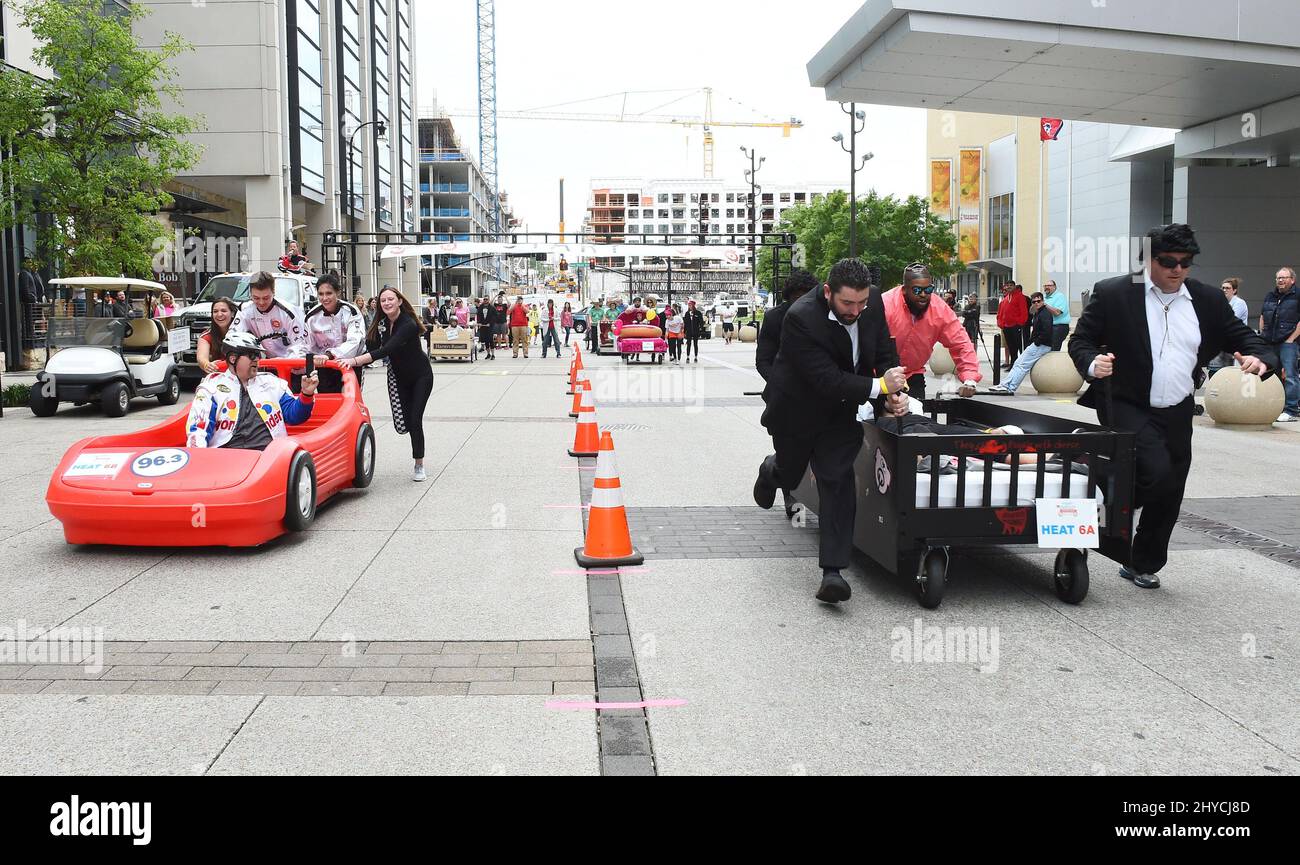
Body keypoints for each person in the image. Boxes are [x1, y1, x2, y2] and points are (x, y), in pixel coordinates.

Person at [1069, 223, 1276, 589]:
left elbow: (1241, 335)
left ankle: (1140, 561)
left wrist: (1259, 356)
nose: (1177, 269)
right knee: (1157, 470)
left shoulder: (1207, 299)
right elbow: (1081, 339)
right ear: (1148, 259)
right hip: (1127, 402)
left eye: (1186, 262)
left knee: (1172, 484)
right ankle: (1112, 496)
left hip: (1178, 406)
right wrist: (1091, 363)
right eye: (1167, 261)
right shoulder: (1115, 293)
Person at [752, 259, 907, 605]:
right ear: (828, 293)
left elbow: (883, 352)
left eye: (862, 303)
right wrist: (880, 386)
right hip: (796, 410)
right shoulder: (800, 317)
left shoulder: (872, 303)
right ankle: (771, 470)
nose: (856, 311)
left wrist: (893, 396)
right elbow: (824, 379)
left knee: (837, 480)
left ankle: (833, 573)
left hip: (839, 413)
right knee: (791, 473)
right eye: (847, 304)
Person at [339, 286, 432, 481]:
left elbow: (387, 350)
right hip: (398, 377)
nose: (387, 303)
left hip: (420, 376)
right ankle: (415, 445)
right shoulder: (381, 323)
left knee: (415, 419)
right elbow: (370, 346)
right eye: (383, 301)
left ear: (399, 301)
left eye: (391, 299)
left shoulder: (408, 324)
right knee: (404, 422)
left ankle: (419, 464)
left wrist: (355, 361)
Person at [186, 332, 317, 451]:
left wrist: (306, 394)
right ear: (233, 358)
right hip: (226, 458)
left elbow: (295, 417)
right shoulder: (211, 388)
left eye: (258, 355)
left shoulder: (272, 383)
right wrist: (199, 462)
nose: (257, 359)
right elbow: (198, 431)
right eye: (251, 355)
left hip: (269, 457)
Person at [881, 263, 981, 400]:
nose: (923, 295)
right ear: (904, 290)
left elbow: (961, 342)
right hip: (881, 374)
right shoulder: (886, 304)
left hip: (912, 374)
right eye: (917, 290)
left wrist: (970, 378)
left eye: (928, 290)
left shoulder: (939, 309)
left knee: (916, 417)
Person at [305, 273, 366, 392]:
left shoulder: (351, 312)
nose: (325, 298)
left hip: (350, 365)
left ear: (337, 293)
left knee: (350, 403)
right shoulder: (311, 317)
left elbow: (355, 341)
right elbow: (308, 347)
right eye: (321, 294)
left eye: (329, 293)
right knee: (327, 404)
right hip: (324, 367)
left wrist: (329, 354)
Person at [757, 269, 819, 381]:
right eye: (797, 298)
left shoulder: (822, 315)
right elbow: (763, 360)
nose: (802, 303)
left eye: (807, 298)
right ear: (788, 297)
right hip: (782, 384)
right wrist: (778, 384)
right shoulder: (774, 318)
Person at [228, 270, 307, 358]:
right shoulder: (245, 310)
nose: (261, 302)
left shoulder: (289, 312)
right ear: (250, 294)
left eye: (266, 298)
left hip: (292, 363)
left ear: (273, 292)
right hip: (268, 362)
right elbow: (233, 336)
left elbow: (301, 345)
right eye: (256, 298)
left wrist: (286, 362)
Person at [986, 292, 1052, 395]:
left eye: (1038, 301)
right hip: (1039, 344)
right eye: (1034, 302)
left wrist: (1036, 342)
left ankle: (1010, 387)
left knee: (1022, 365)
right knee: (1018, 363)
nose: (1036, 303)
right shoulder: (1039, 313)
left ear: (1043, 301)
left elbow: (1047, 331)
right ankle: (1005, 385)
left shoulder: (1045, 314)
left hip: (1041, 345)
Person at [1260, 266, 1300, 422]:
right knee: (1271, 375)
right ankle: (1275, 406)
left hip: (1288, 343)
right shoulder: (1270, 296)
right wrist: (1263, 335)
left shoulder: (1297, 296)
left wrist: (1291, 339)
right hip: (1270, 342)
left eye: (1284, 277)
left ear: (1292, 280)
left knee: (1290, 376)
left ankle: (1291, 410)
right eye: (1278, 278)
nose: (1280, 280)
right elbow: (1263, 315)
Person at [1208, 278, 1250, 377]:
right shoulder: (1219, 302)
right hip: (1220, 341)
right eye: (1223, 288)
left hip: (1234, 343)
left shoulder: (1239, 303)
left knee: (1229, 374)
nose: (1224, 290)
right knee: (1214, 371)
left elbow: (1228, 321)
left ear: (1234, 290)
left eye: (1227, 288)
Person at [196, 297, 238, 375]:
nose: (219, 314)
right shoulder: (206, 336)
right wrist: (207, 365)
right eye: (215, 311)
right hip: (217, 377)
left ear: (232, 313)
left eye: (223, 311)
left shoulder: (243, 332)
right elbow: (201, 358)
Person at [997, 283, 1028, 369]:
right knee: (1011, 347)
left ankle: (1021, 365)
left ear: (1014, 286)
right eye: (1007, 285)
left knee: (1019, 346)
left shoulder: (1020, 297)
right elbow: (1000, 312)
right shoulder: (1005, 299)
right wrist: (1001, 323)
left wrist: (1020, 322)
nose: (1009, 287)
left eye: (1011, 285)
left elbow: (1024, 311)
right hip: (1006, 326)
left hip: (1016, 325)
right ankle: (1013, 363)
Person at [1041, 280, 1071, 350]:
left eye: (1049, 286)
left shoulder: (1060, 296)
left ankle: (1053, 361)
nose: (1046, 287)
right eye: (1045, 286)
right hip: (1046, 327)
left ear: (1054, 287)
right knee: (1045, 349)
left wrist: (1045, 305)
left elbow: (1057, 312)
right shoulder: (1043, 297)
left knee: (1053, 349)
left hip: (1058, 327)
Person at [683, 299, 706, 363]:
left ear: (693, 305)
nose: (689, 306)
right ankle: (688, 357)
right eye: (688, 305)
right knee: (688, 344)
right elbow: (686, 323)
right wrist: (684, 332)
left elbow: (701, 322)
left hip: (696, 331)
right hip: (689, 331)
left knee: (695, 344)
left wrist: (700, 329)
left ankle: (696, 357)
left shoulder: (698, 313)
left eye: (690, 305)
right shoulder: (687, 313)